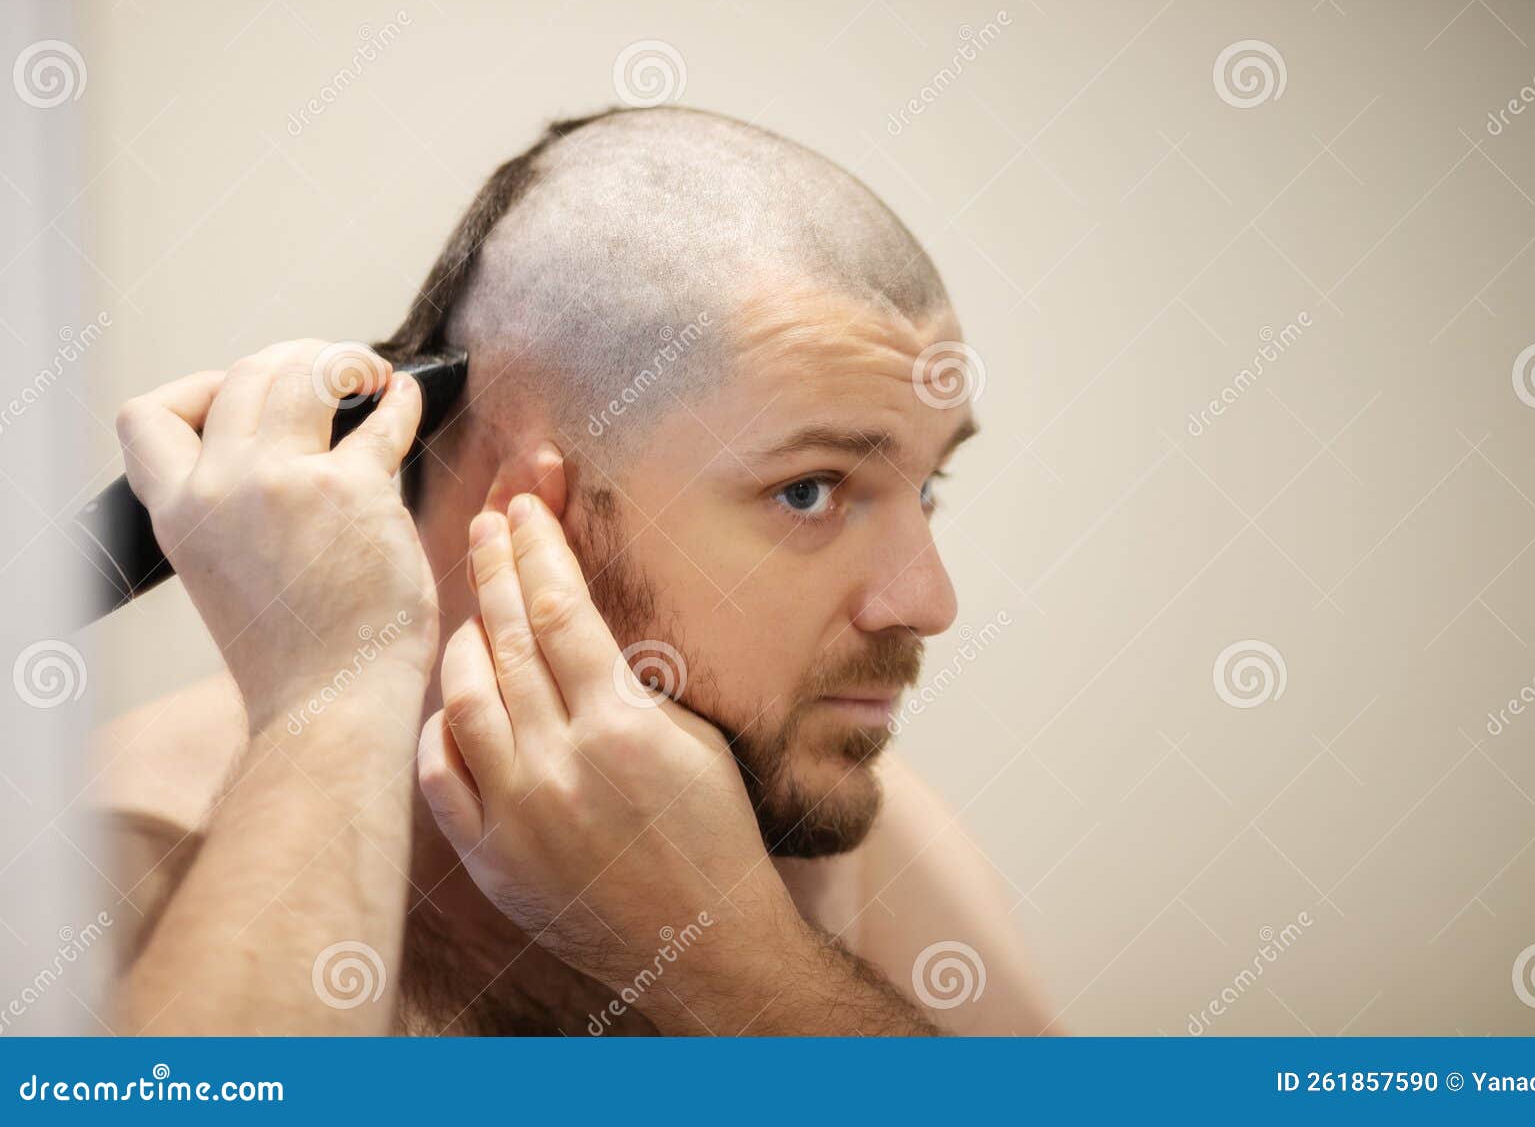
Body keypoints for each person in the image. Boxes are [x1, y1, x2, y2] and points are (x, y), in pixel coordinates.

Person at [96, 106, 1055, 1035]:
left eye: (927, 487)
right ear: (521, 503)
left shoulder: (832, 838)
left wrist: (736, 959)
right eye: (809, 491)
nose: (928, 602)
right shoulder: (110, 860)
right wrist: (325, 696)